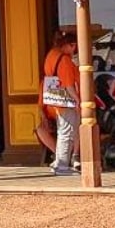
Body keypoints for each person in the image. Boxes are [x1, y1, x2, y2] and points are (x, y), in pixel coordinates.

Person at [39, 29, 81, 176]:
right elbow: (69, 84)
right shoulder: (64, 59)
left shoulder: (51, 55)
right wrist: (77, 100)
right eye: (74, 46)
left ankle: (59, 162)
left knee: (63, 129)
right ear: (71, 45)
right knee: (66, 131)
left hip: (53, 99)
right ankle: (62, 165)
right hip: (64, 100)